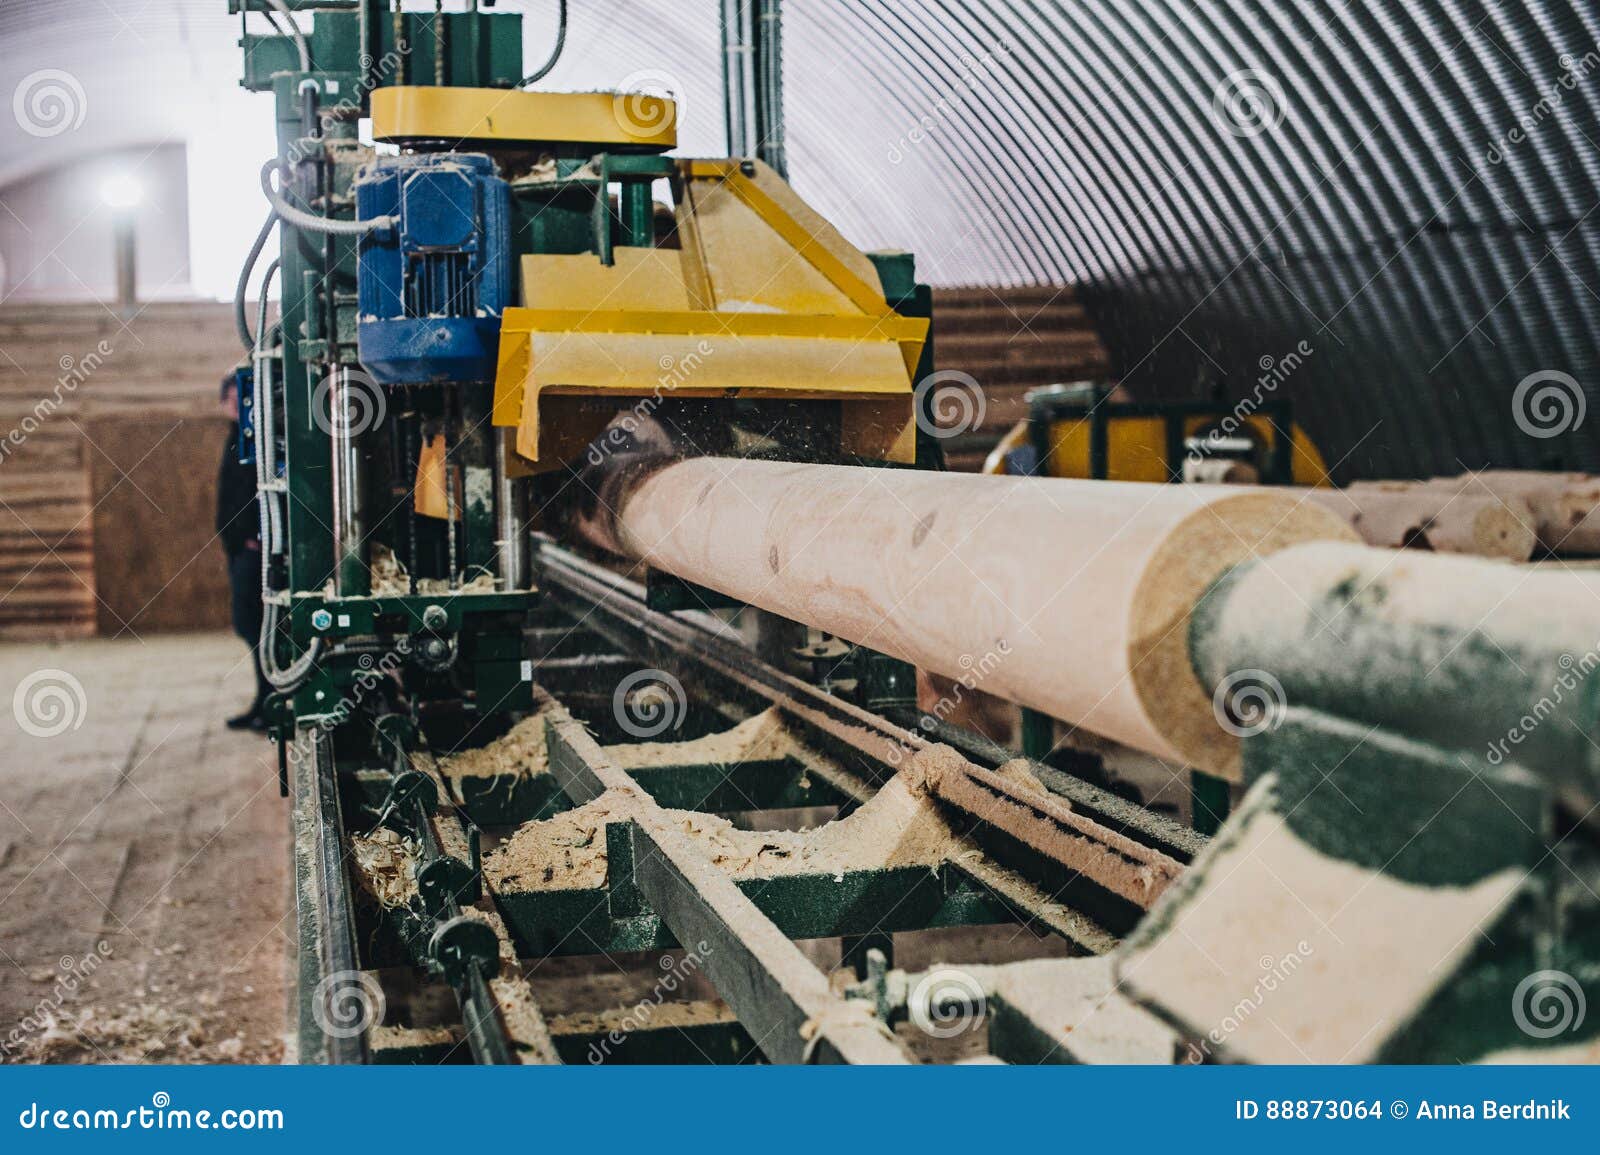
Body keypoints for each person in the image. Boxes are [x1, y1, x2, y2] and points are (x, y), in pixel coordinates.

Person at [216, 371, 270, 731]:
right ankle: (263, 700)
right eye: (232, 401)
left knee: (259, 627)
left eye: (242, 401)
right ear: (223, 404)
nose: (237, 407)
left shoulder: (255, 441)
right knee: (249, 626)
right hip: (239, 549)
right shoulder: (235, 438)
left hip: (253, 551)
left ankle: (270, 702)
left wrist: (255, 537)